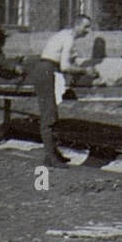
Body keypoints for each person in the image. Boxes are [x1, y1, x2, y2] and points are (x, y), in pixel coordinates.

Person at [28, 14, 96, 167]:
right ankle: (50, 157)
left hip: (47, 70)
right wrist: (85, 71)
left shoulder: (64, 35)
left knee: (52, 114)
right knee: (48, 115)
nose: (87, 31)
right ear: (77, 25)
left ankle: (53, 153)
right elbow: (65, 66)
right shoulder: (69, 38)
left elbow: (68, 59)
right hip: (46, 71)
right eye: (86, 27)